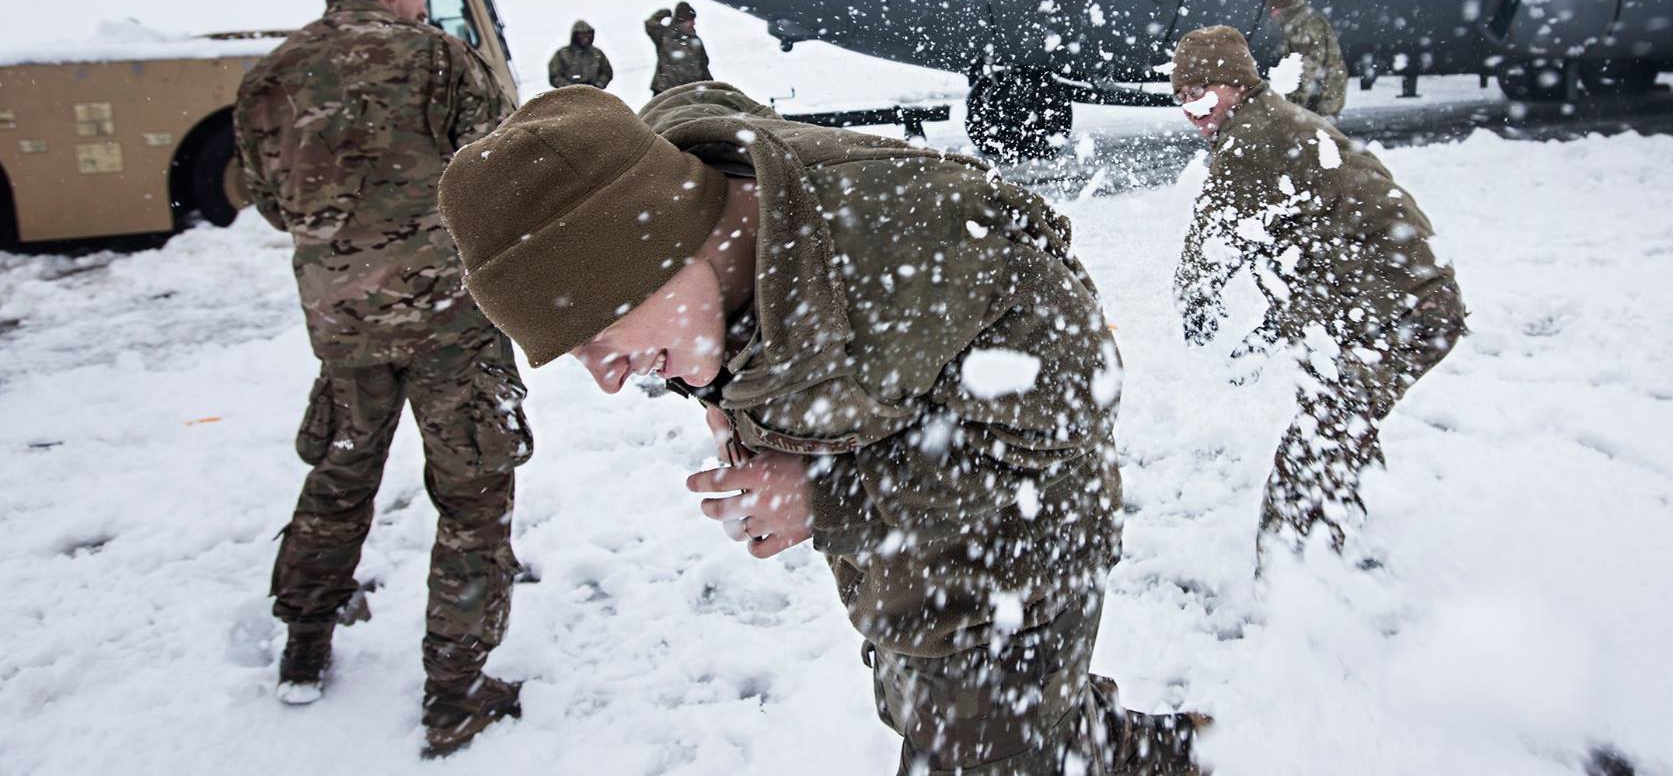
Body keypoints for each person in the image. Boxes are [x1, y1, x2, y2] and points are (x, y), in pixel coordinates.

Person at [437, 82, 1206, 774]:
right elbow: (695, 102)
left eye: (596, 335)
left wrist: (824, 495)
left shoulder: (928, 241)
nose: (607, 378)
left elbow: (1072, 402)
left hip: (1014, 551)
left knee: (979, 740)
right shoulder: (678, 199)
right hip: (902, 560)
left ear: (660, 251)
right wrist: (712, 385)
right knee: (929, 698)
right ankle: (1135, 750)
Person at [234, 0, 532, 757]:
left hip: (344, 328)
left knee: (339, 477)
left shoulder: (271, 77)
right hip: (452, 325)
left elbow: (270, 200)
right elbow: (500, 168)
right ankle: (455, 688)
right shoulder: (439, 59)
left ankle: (304, 642)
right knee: (473, 498)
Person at [1169, 25, 1462, 558]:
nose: (1192, 108)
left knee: (1315, 449)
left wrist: (1194, 300)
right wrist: (1269, 332)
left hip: (1404, 311)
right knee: (1335, 425)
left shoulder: (1253, 137)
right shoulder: (1272, 124)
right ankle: (1354, 551)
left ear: (1237, 84)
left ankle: (1291, 580)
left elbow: (1212, 239)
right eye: (1182, 97)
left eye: (1202, 91)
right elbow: (1317, 251)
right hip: (1389, 306)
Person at [1265, 0, 1347, 117]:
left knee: (1320, 128)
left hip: (1325, 92)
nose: (1273, 16)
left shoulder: (1307, 23)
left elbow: (1312, 64)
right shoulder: (1295, 23)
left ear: (1283, 8)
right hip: (1317, 91)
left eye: (1274, 12)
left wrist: (1296, 100)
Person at [646, 1, 713, 93]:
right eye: (689, 20)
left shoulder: (695, 40)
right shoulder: (664, 35)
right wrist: (662, 13)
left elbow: (703, 65)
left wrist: (709, 84)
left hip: (690, 91)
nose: (693, 23)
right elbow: (650, 25)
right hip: (665, 90)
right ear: (680, 21)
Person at [547, 19, 614, 89]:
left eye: (588, 34)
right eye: (582, 34)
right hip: (568, 92)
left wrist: (599, 84)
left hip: (592, 91)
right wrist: (567, 86)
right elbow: (555, 75)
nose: (586, 37)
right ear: (575, 35)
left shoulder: (597, 53)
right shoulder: (563, 53)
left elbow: (607, 72)